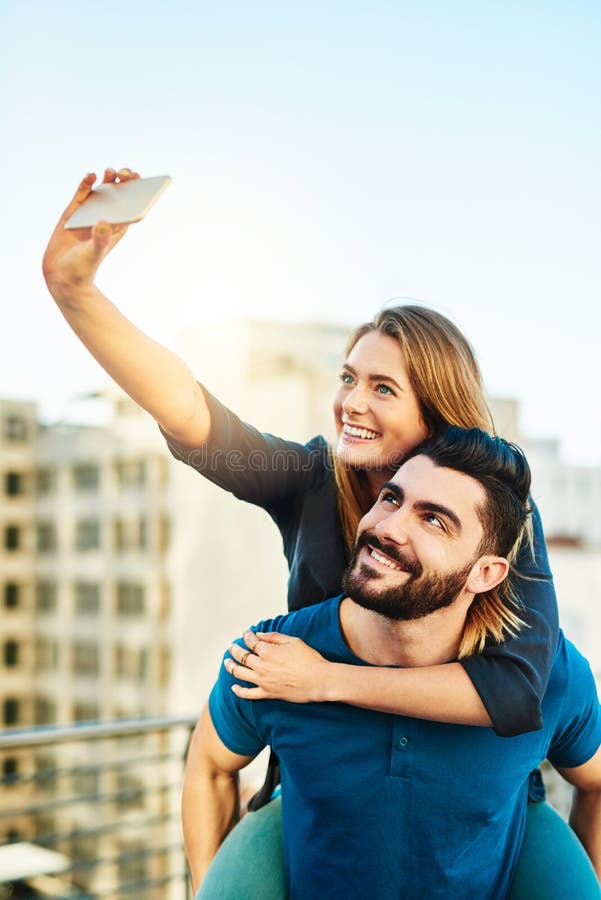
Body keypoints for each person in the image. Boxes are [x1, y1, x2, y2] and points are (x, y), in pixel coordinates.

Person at [43, 169, 572, 893]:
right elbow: (189, 411)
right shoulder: (308, 479)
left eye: (382, 388)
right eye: (348, 377)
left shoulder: (498, 515)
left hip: (466, 791)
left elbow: (515, 690)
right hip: (326, 784)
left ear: (439, 412)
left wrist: (324, 681)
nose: (350, 402)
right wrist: (75, 291)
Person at [183, 427, 601, 898]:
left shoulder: (550, 678)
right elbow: (210, 766)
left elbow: (597, 783)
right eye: (390, 499)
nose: (388, 527)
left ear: (485, 573)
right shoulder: (276, 656)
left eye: (434, 521)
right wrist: (207, 883)